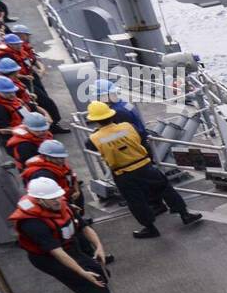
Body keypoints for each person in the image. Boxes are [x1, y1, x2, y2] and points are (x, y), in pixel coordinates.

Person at [9, 177, 142, 293]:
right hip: (48, 258)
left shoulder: (61, 205)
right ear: (39, 200)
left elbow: (84, 227)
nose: (59, 200)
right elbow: (56, 253)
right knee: (94, 281)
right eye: (53, 199)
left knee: (99, 272)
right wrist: (82, 272)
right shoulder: (33, 224)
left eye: (58, 196)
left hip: (69, 248)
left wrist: (99, 246)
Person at [86, 100, 202, 238]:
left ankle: (150, 228)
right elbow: (140, 136)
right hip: (144, 165)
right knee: (165, 188)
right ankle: (185, 214)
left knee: (135, 201)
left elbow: (90, 147)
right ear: (111, 115)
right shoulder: (128, 127)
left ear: (95, 120)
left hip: (123, 173)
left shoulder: (94, 138)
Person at [0, 30, 65, 132]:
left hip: (29, 79)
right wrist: (24, 77)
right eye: (16, 44)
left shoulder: (20, 52)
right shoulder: (7, 58)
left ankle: (52, 124)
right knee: (45, 102)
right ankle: (49, 126)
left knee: (44, 102)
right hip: (25, 81)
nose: (19, 45)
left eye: (19, 43)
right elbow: (2, 127)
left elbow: (31, 60)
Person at [21, 139, 85, 213]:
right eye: (56, 158)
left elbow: (72, 177)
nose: (60, 160)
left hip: (69, 195)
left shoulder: (59, 165)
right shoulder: (42, 175)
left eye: (62, 157)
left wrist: (77, 190)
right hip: (60, 202)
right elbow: (48, 197)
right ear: (45, 157)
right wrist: (68, 206)